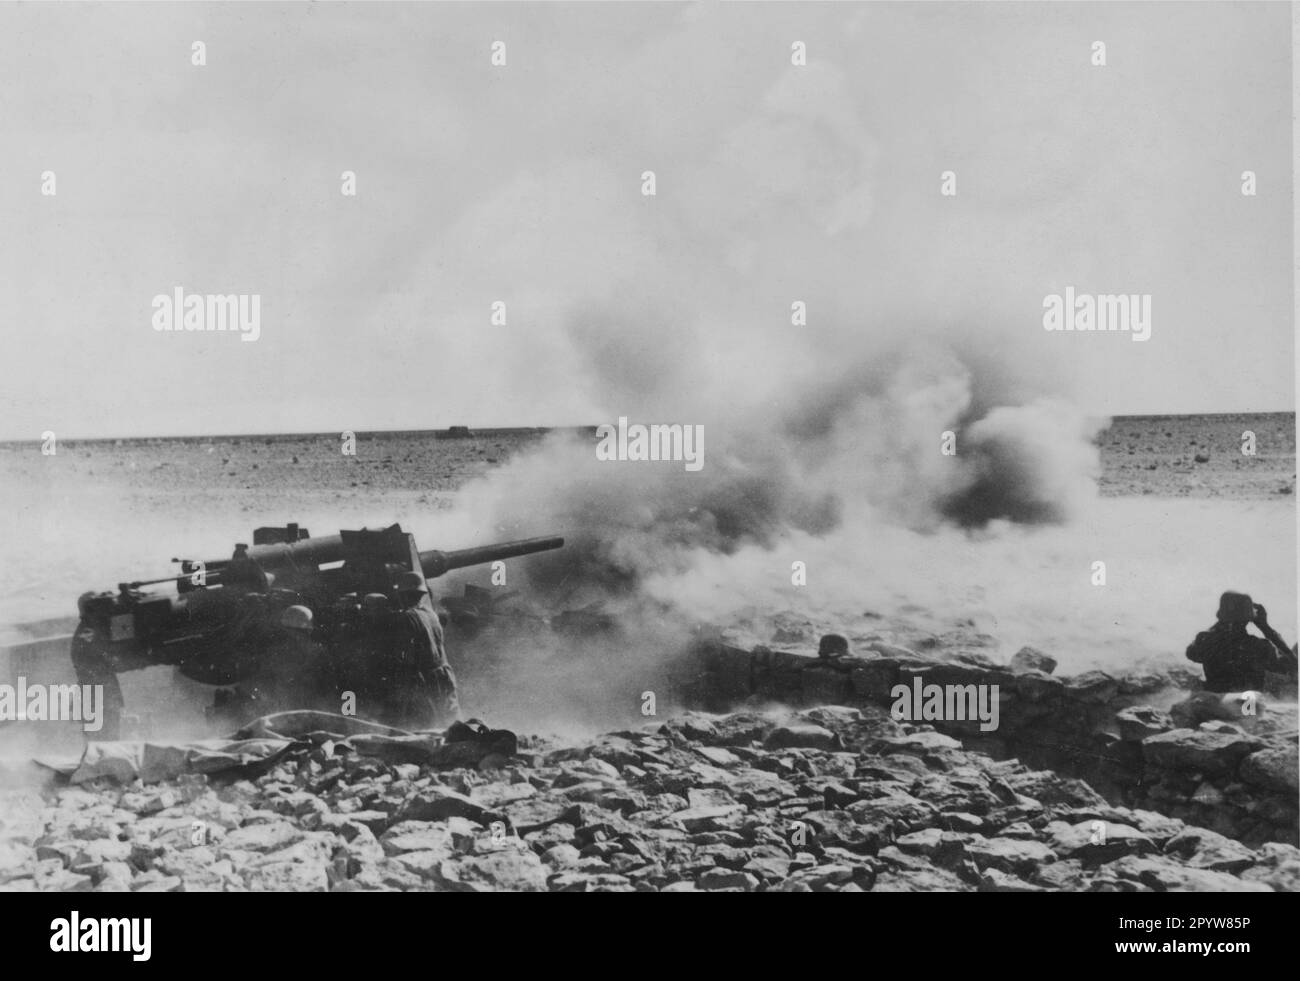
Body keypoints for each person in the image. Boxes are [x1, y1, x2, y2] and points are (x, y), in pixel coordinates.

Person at [384, 571, 460, 729]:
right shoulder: (431, 614)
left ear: (404, 595)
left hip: (425, 679)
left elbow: (408, 658)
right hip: (444, 674)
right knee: (451, 720)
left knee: (425, 726)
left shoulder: (407, 618)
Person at [1186, 591, 1297, 693]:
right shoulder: (1259, 646)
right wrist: (1265, 627)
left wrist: (1223, 620)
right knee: (1251, 705)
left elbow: (1191, 653)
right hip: (1248, 706)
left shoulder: (1204, 640)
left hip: (1213, 702)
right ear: (1249, 619)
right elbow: (1293, 666)